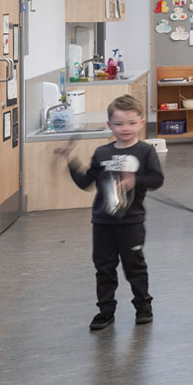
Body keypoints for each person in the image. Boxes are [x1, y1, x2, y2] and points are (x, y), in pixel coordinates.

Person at [67, 94, 163, 331]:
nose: (125, 129)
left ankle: (143, 307)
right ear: (110, 125)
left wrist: (136, 180)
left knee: (134, 266)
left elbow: (157, 179)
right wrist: (71, 161)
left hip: (131, 222)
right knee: (104, 267)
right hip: (102, 222)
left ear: (141, 123)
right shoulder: (101, 153)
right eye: (119, 124)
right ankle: (105, 311)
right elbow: (85, 182)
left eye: (131, 123)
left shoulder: (145, 152)